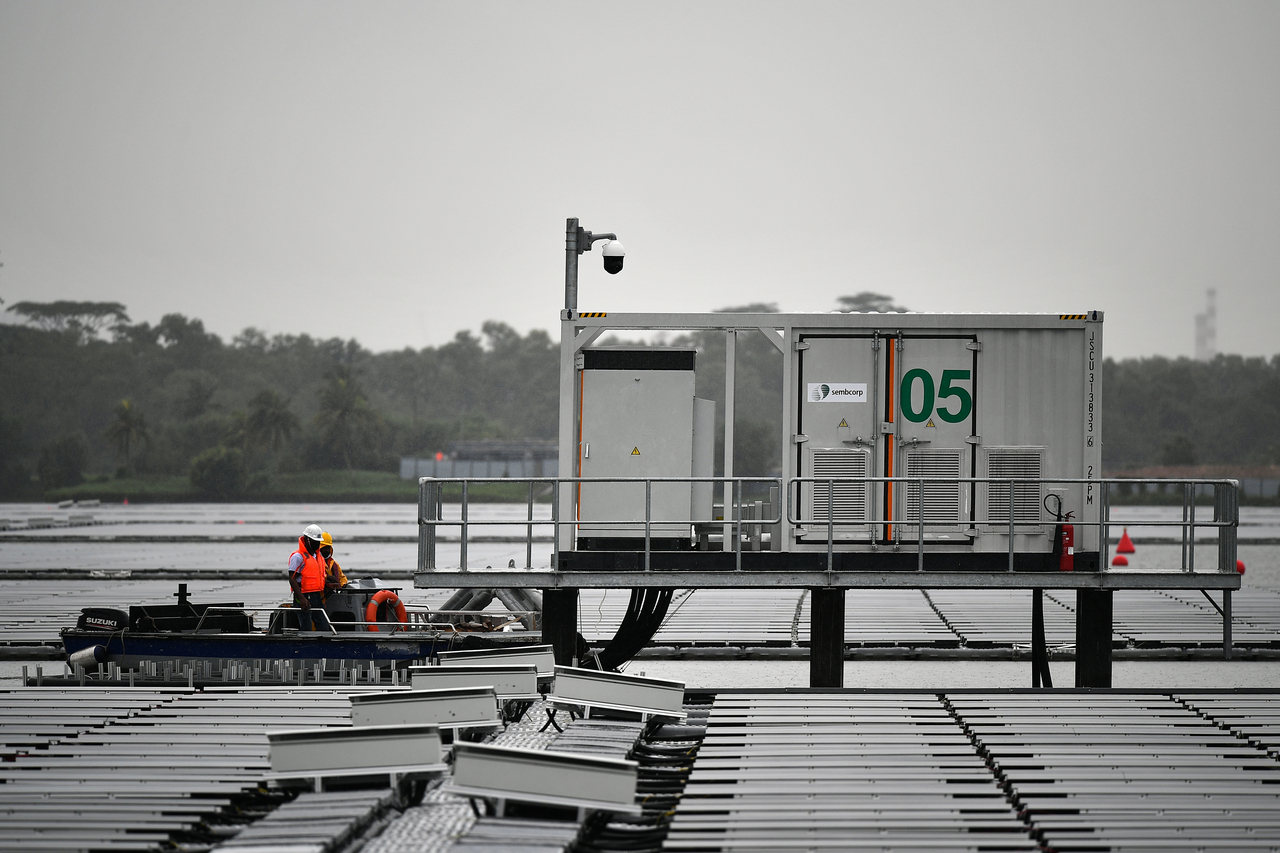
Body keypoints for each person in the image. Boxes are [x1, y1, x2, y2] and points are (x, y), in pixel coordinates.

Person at [288, 524, 331, 632]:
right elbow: (292, 578)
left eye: (318, 541)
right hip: (303, 596)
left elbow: (316, 576)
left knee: (324, 627)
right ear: (307, 540)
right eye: (315, 541)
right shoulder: (298, 557)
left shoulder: (318, 556)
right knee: (306, 627)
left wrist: (328, 581)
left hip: (316, 596)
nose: (317, 544)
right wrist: (302, 598)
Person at [319, 532, 348, 599]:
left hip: (332, 598)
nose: (326, 550)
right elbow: (314, 577)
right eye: (324, 548)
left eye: (328, 548)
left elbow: (342, 577)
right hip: (319, 597)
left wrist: (343, 585)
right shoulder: (315, 563)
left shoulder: (334, 563)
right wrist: (327, 577)